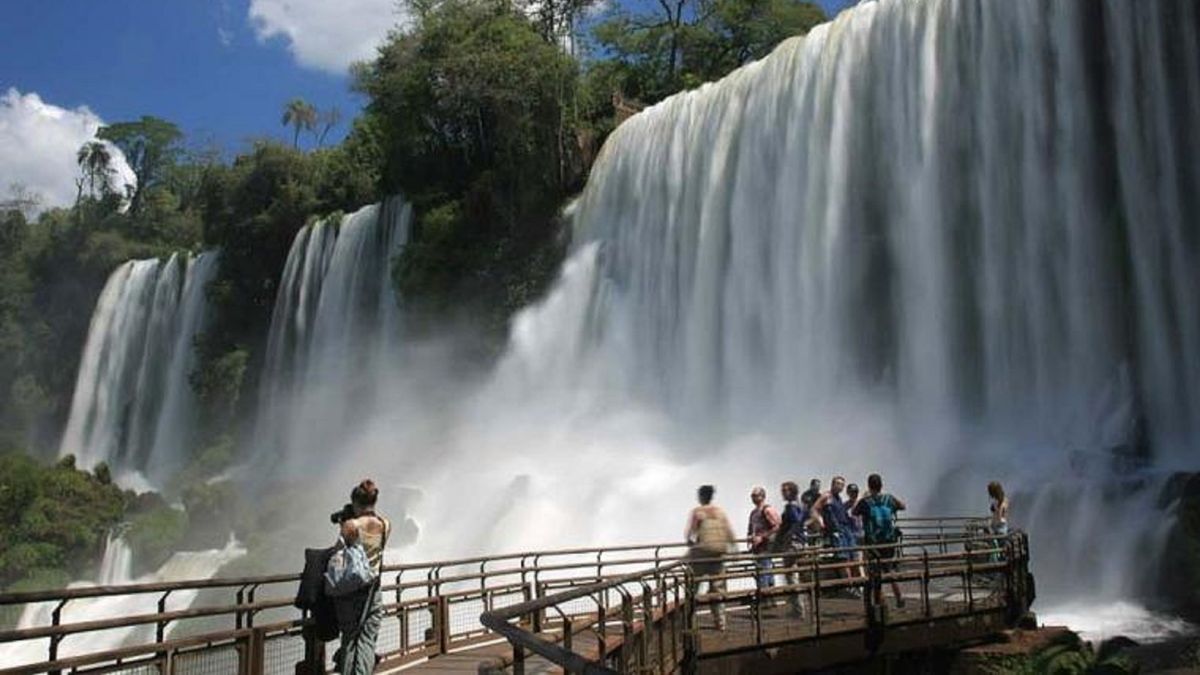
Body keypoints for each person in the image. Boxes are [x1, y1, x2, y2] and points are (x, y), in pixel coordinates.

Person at [333, 479, 391, 674]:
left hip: (351, 592)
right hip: (374, 591)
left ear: (355, 503)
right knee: (367, 640)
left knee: (350, 640)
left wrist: (343, 522)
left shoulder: (350, 525)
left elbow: (339, 554)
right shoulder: (385, 524)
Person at [853, 473, 906, 608]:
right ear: (881, 485)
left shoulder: (865, 502)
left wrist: (865, 497)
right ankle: (899, 597)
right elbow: (902, 506)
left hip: (873, 543)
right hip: (889, 541)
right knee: (888, 569)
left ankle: (880, 603)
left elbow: (854, 512)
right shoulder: (889, 499)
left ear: (869, 486)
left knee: (874, 572)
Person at [686, 485, 735, 630]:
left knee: (693, 588)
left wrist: (691, 545)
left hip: (702, 555)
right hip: (718, 554)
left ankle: (690, 622)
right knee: (717, 589)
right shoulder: (720, 512)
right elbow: (729, 532)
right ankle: (720, 622)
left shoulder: (698, 512)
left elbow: (690, 535)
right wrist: (734, 549)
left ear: (701, 496)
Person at [811, 476, 860, 584]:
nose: (840, 486)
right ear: (833, 484)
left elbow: (843, 510)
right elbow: (814, 509)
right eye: (838, 484)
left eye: (842, 484)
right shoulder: (827, 496)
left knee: (853, 556)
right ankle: (849, 583)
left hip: (846, 529)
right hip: (835, 530)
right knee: (843, 558)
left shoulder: (839, 499)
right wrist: (821, 522)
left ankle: (856, 583)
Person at [772, 481, 809, 618]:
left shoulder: (790, 507)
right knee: (795, 575)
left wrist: (787, 535)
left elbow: (795, 522)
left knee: (791, 576)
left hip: (791, 544)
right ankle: (798, 607)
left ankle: (798, 610)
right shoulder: (801, 505)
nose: (783, 492)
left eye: (786, 490)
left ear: (792, 492)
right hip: (800, 542)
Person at [746, 486, 781, 599]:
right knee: (764, 570)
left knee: (763, 570)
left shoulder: (767, 510)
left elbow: (777, 526)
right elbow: (751, 528)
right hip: (757, 546)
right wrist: (750, 537)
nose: (753, 498)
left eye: (756, 495)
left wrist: (762, 537)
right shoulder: (753, 512)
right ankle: (769, 596)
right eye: (752, 496)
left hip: (766, 545)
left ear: (762, 496)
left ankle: (766, 596)